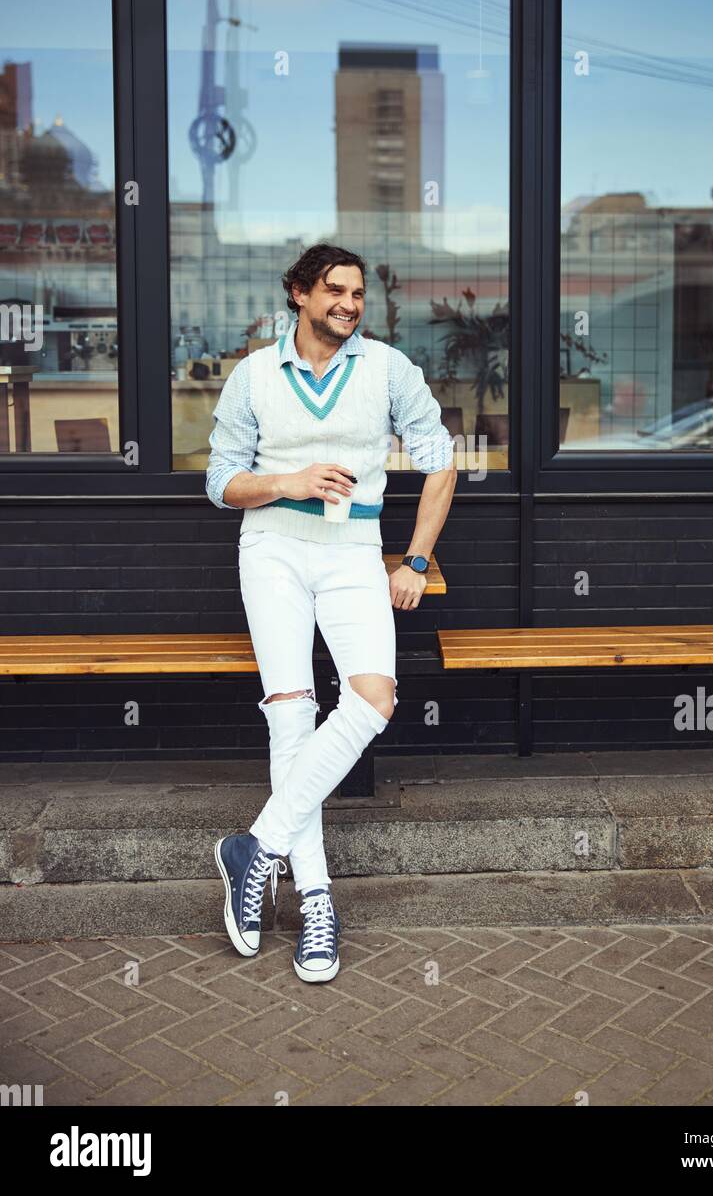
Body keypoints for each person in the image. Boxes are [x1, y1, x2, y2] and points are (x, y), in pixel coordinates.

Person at [206, 244, 457, 982]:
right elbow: (221, 482)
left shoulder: (388, 369)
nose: (349, 304)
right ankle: (315, 900)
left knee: (374, 699)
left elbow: (441, 460)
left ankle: (254, 847)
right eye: (334, 290)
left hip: (354, 553)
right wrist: (289, 481)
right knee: (291, 717)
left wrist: (415, 561)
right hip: (274, 549)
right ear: (299, 293)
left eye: (357, 293)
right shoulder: (254, 375)